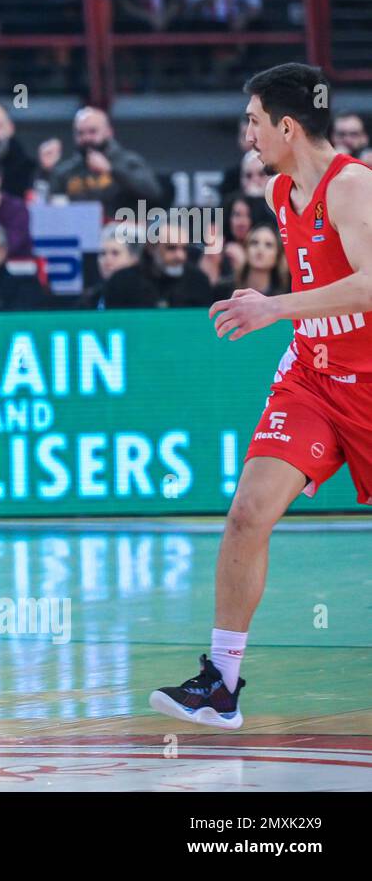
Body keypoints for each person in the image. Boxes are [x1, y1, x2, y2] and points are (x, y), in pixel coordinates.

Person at [150, 63, 372, 729]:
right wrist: (290, 336)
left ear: (286, 124)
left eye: (252, 120)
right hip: (312, 377)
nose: (246, 133)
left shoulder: (354, 187)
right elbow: (318, 297)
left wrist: (273, 306)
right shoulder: (281, 192)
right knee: (248, 510)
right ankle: (221, 683)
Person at [48, 107, 162, 218]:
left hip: (123, 227)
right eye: (80, 133)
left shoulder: (128, 161)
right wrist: (46, 171)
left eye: (92, 131)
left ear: (108, 132)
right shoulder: (66, 171)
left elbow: (152, 192)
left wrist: (111, 170)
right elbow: (50, 206)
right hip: (78, 229)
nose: (86, 138)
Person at [101, 224, 213, 309]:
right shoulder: (122, 282)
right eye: (171, 248)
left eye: (184, 249)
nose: (180, 256)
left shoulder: (198, 281)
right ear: (151, 248)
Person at [77, 221, 142, 309]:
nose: (107, 259)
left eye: (115, 253)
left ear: (134, 258)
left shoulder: (145, 295)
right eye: (103, 253)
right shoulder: (90, 299)